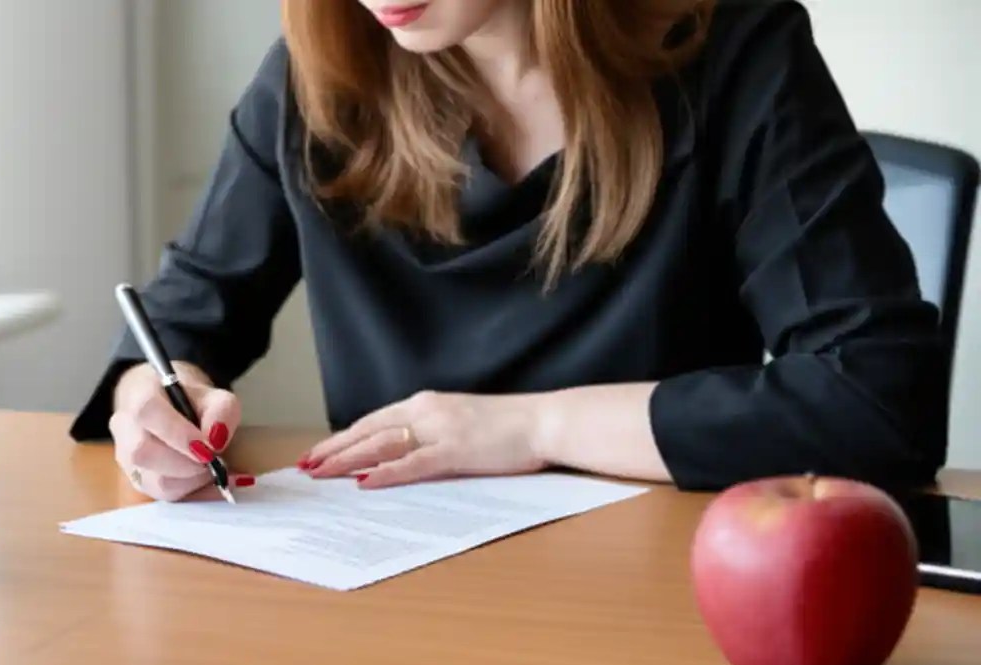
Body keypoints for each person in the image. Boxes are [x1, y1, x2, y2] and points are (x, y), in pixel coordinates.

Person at [69, 0, 948, 503]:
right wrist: (157, 402)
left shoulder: (733, 48)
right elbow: (179, 321)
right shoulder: (320, 71)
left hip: (653, 596)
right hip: (386, 594)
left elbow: (875, 398)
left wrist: (531, 426)